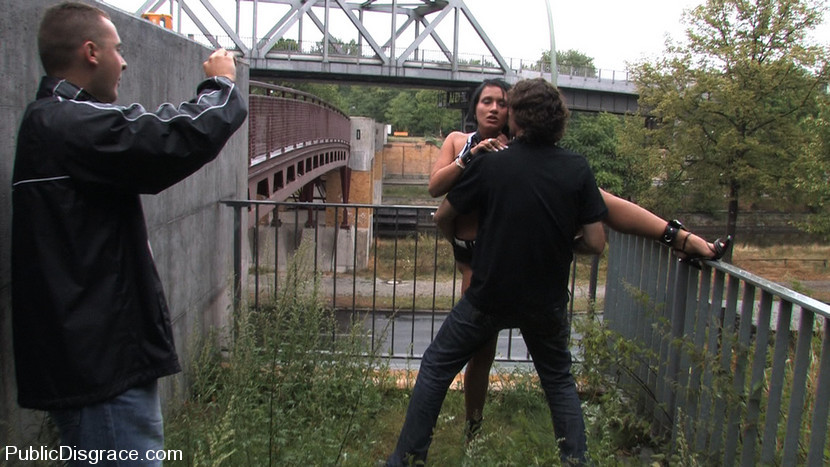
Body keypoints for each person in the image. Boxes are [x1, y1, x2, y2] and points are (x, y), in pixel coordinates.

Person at [428, 79, 732, 441]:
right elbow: (437, 193)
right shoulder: (459, 143)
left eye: (503, 103)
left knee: (597, 197)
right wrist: (471, 156)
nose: (495, 108)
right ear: (475, 107)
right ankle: (473, 430)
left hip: (520, 254)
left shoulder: (522, 150)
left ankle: (677, 236)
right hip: (476, 259)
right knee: (481, 354)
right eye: (487, 102)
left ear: (515, 113)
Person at [11, 2, 247, 463]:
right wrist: (221, 85)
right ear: (91, 52)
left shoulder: (54, 124)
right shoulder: (65, 124)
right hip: (101, 369)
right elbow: (168, 138)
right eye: (118, 50)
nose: (125, 61)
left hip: (92, 361)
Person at [387, 77, 608, 465]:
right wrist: (564, 245)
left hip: (488, 294)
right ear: (557, 120)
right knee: (558, 380)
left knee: (437, 366)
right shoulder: (577, 168)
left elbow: (442, 214)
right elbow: (596, 242)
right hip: (546, 300)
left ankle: (406, 459)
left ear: (517, 118)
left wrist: (462, 249)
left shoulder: (492, 163)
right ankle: (576, 461)